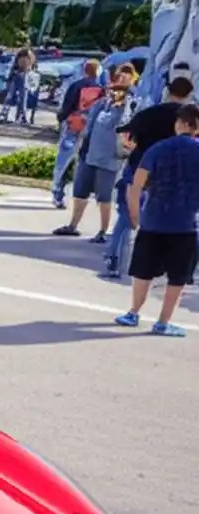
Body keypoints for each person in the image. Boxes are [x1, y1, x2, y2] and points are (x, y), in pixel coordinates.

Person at [115, 104, 199, 337]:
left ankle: (133, 312)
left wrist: (135, 214)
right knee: (178, 276)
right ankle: (163, 321)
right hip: (186, 223)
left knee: (143, 270)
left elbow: (136, 185)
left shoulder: (158, 149)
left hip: (154, 218)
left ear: (181, 124)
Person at [99, 76, 194, 278]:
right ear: (189, 95)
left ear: (168, 91)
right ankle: (173, 266)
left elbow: (126, 132)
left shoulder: (150, 113)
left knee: (127, 215)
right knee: (175, 220)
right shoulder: (190, 120)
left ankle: (115, 259)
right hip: (172, 176)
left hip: (139, 167)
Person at [52, 65, 136, 241]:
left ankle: (103, 231)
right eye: (118, 78)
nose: (119, 83)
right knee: (80, 191)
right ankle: (73, 225)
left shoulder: (130, 104)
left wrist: (126, 99)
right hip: (89, 155)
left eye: (125, 79)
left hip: (109, 159)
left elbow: (125, 123)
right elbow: (89, 125)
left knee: (104, 196)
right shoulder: (102, 104)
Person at [52, 59, 104, 209]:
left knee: (64, 161)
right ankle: (81, 193)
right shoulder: (101, 90)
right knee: (82, 162)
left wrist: (61, 120)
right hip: (89, 130)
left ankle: (57, 190)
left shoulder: (76, 86)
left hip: (72, 126)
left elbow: (66, 106)